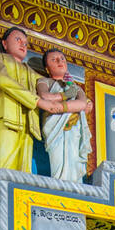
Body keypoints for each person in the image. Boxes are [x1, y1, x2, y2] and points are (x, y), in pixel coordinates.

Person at [0, 27, 63, 174]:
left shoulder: (31, 72)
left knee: (24, 171)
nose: (23, 45)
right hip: (7, 117)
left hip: (29, 124)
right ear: (4, 43)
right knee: (7, 166)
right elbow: (3, 80)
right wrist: (37, 101)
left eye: (26, 43)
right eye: (18, 40)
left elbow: (54, 84)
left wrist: (82, 98)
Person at [36, 49, 92, 182]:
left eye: (62, 59)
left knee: (73, 159)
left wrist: (59, 106)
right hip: (54, 127)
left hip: (73, 129)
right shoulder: (44, 81)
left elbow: (82, 104)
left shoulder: (76, 88)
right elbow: (44, 96)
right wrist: (65, 95)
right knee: (58, 162)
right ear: (47, 68)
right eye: (53, 60)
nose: (59, 62)